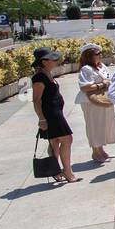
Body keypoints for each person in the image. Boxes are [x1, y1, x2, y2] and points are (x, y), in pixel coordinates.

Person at [31, 47, 78, 183]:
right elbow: (36, 99)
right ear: (44, 61)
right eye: (52, 58)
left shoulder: (47, 74)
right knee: (66, 139)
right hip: (51, 114)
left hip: (56, 111)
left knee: (56, 142)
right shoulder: (39, 77)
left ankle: (56, 170)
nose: (56, 60)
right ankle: (67, 172)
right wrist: (41, 118)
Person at [75, 43, 115, 163]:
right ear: (89, 56)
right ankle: (95, 152)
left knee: (103, 124)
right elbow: (84, 87)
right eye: (97, 54)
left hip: (103, 99)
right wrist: (102, 84)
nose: (100, 56)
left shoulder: (101, 66)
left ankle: (101, 149)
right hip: (91, 101)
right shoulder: (86, 69)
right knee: (94, 125)